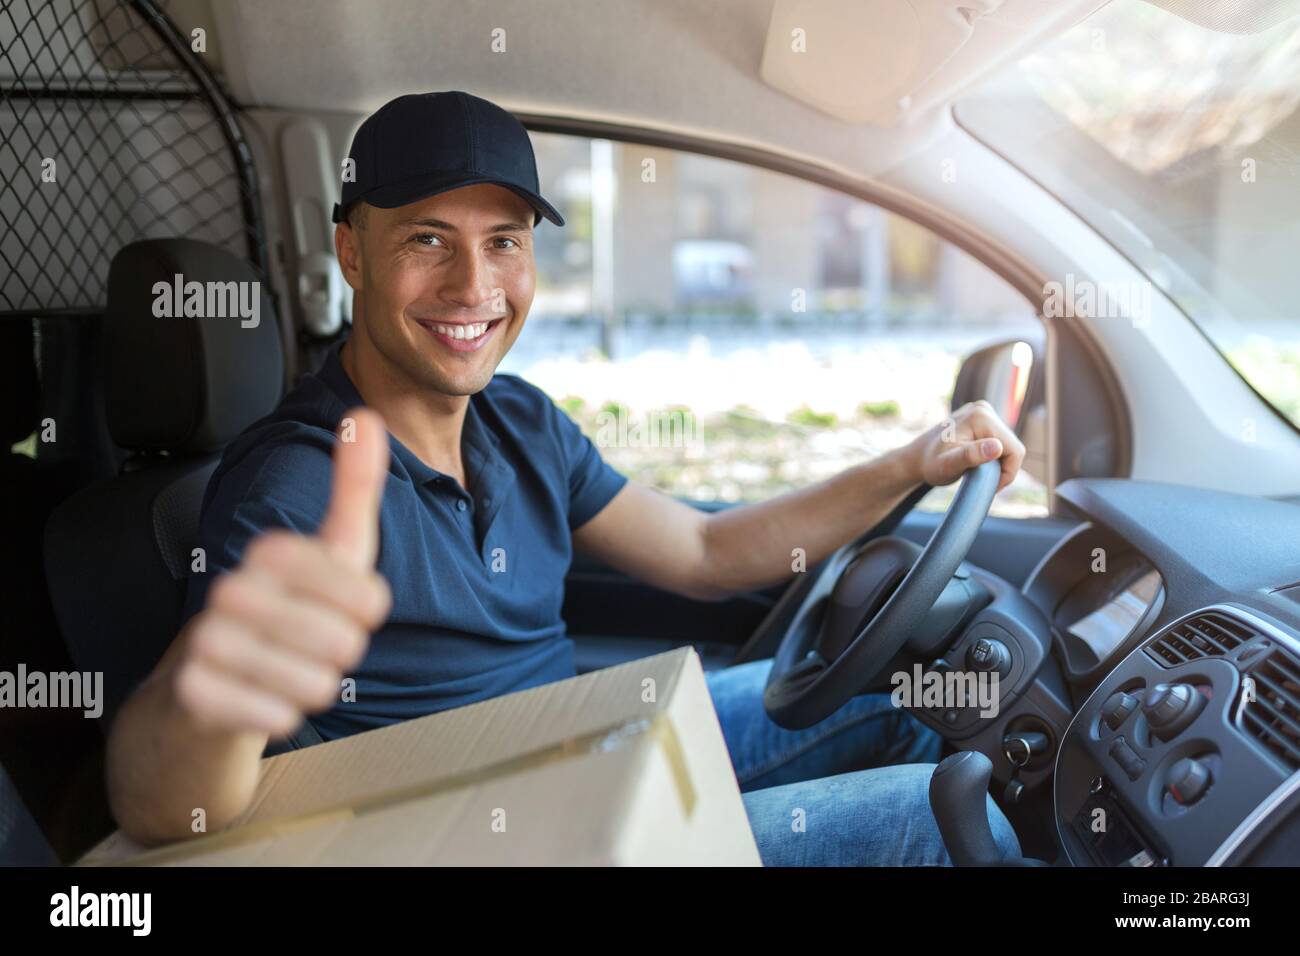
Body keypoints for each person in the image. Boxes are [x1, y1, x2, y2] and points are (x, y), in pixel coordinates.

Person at [106, 91, 1024, 865]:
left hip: (592, 742)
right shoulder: (299, 485)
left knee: (915, 706)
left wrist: (915, 462)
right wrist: (212, 698)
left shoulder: (522, 420)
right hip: (517, 840)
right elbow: (163, 808)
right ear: (352, 252)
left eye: (502, 241)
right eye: (428, 239)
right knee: (951, 816)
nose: (474, 285)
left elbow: (706, 551)